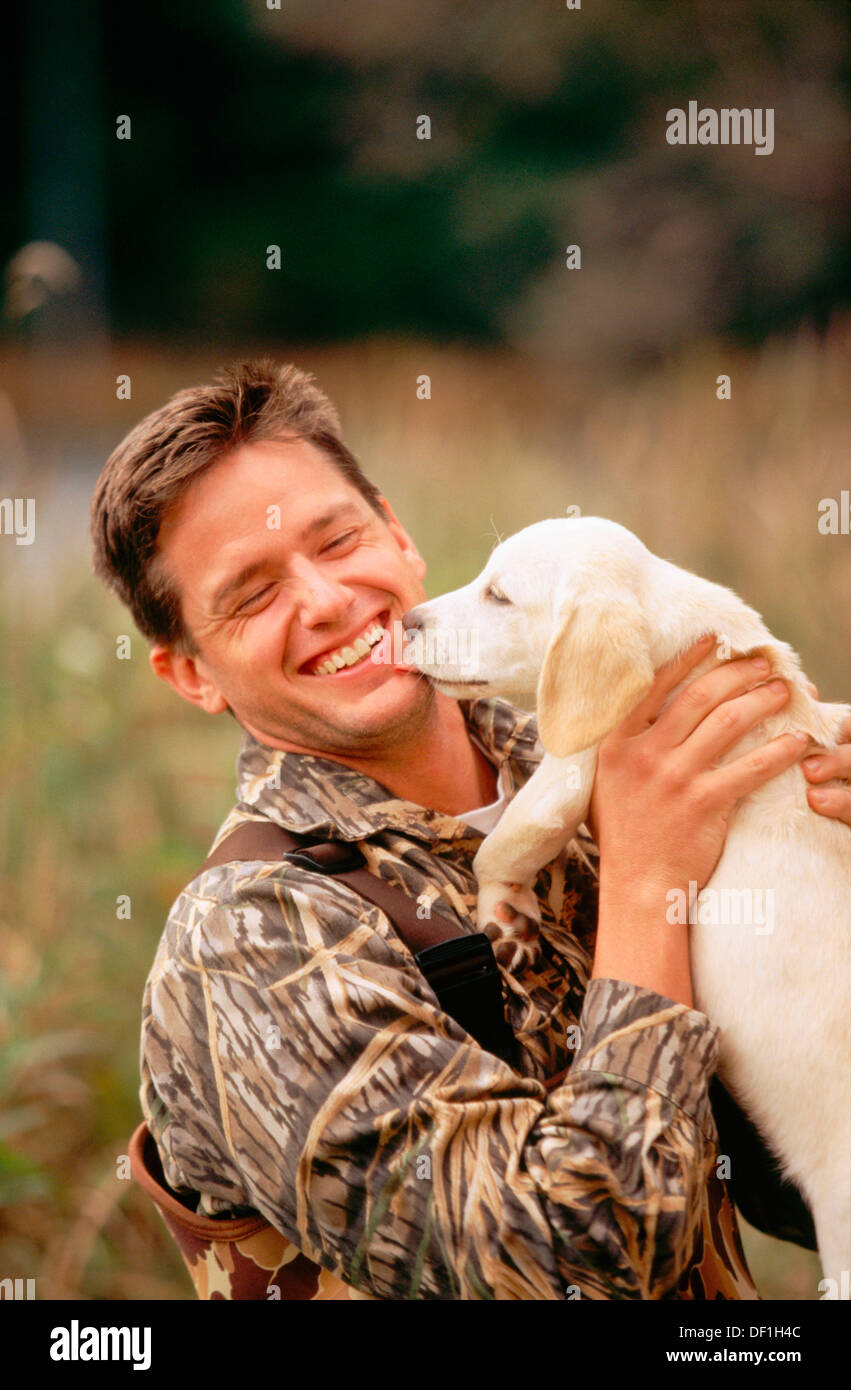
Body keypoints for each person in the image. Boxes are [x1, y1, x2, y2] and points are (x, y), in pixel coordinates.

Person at [90, 359, 850, 1300]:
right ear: (191, 676)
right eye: (251, 594)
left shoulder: (637, 767)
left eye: (338, 539)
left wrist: (818, 858)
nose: (326, 599)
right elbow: (570, 1260)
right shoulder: (252, 939)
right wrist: (650, 885)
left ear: (398, 534)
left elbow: (791, 1171)